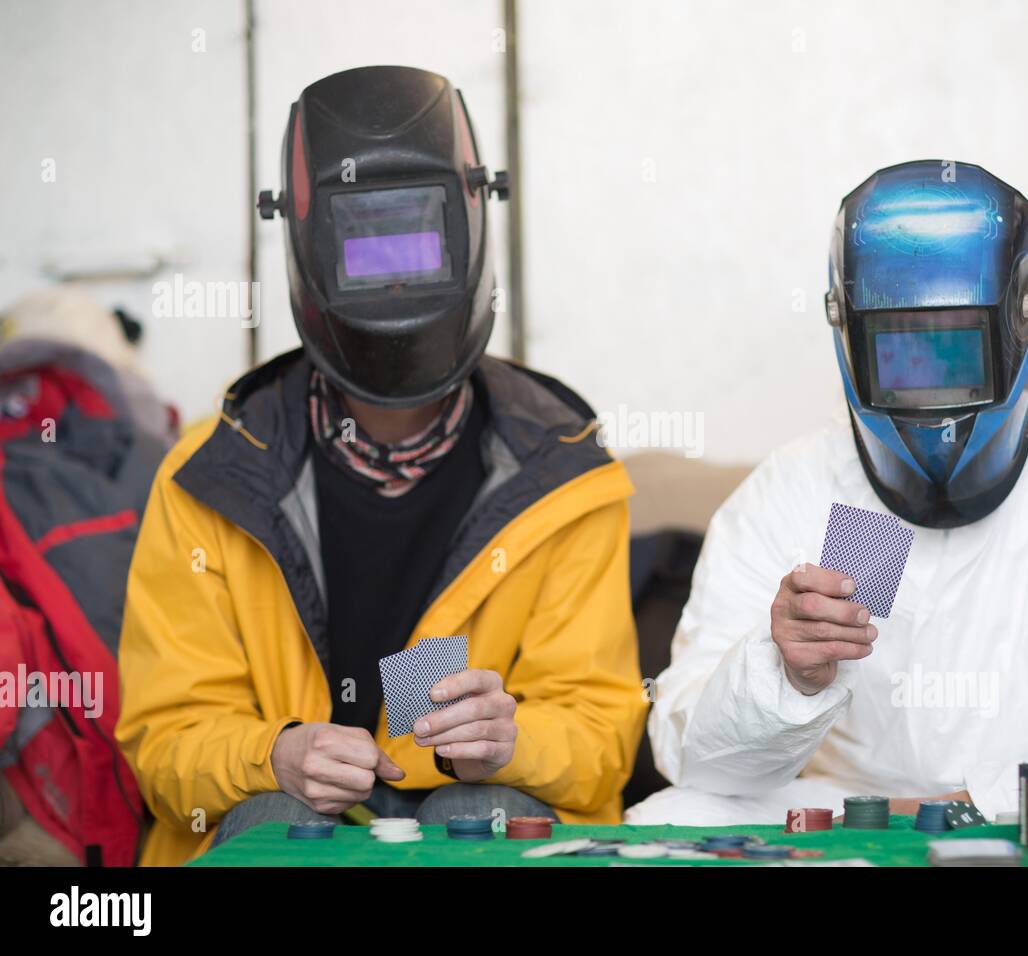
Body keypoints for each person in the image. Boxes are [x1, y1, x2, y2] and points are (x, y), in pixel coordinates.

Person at [626, 160, 1028, 865]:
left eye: (954, 345)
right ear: (848, 328)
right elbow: (700, 763)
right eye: (900, 349)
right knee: (673, 815)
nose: (928, 381)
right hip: (845, 820)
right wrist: (785, 677)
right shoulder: (808, 489)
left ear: (1024, 316)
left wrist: (972, 806)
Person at [115, 66, 645, 865]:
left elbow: (602, 733)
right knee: (276, 821)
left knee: (487, 808)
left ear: (474, 215)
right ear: (301, 238)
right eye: (364, 240)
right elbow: (166, 742)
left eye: (412, 235)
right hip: (288, 817)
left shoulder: (563, 473)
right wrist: (272, 754)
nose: (395, 274)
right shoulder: (211, 476)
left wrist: (513, 741)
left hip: (463, 810)